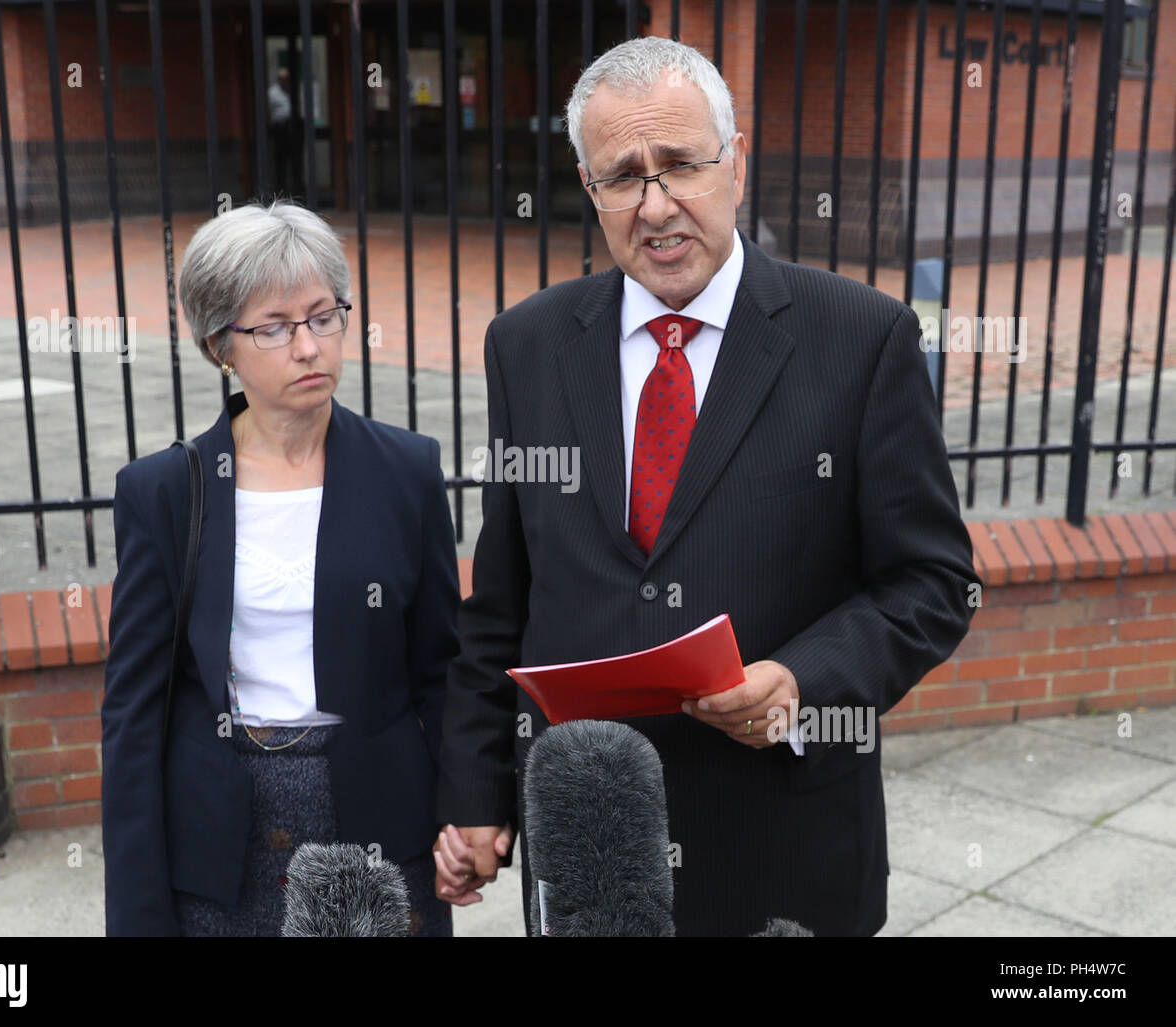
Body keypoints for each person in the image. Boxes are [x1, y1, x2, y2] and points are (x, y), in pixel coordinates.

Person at [432, 36, 979, 936]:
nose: (655, 205)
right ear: (588, 185)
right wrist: (476, 790)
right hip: (586, 844)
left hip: (783, 838)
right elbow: (503, 600)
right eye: (622, 176)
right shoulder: (524, 345)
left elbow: (932, 583)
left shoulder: (861, 338)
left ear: (735, 165)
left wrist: (803, 682)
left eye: (681, 164)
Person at [101, 199, 460, 936]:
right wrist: (137, 911)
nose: (308, 346)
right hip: (224, 835)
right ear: (218, 345)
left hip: (377, 821)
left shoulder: (407, 471)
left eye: (324, 316)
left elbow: (443, 671)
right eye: (274, 327)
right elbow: (135, 714)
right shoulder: (165, 492)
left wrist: (466, 814)